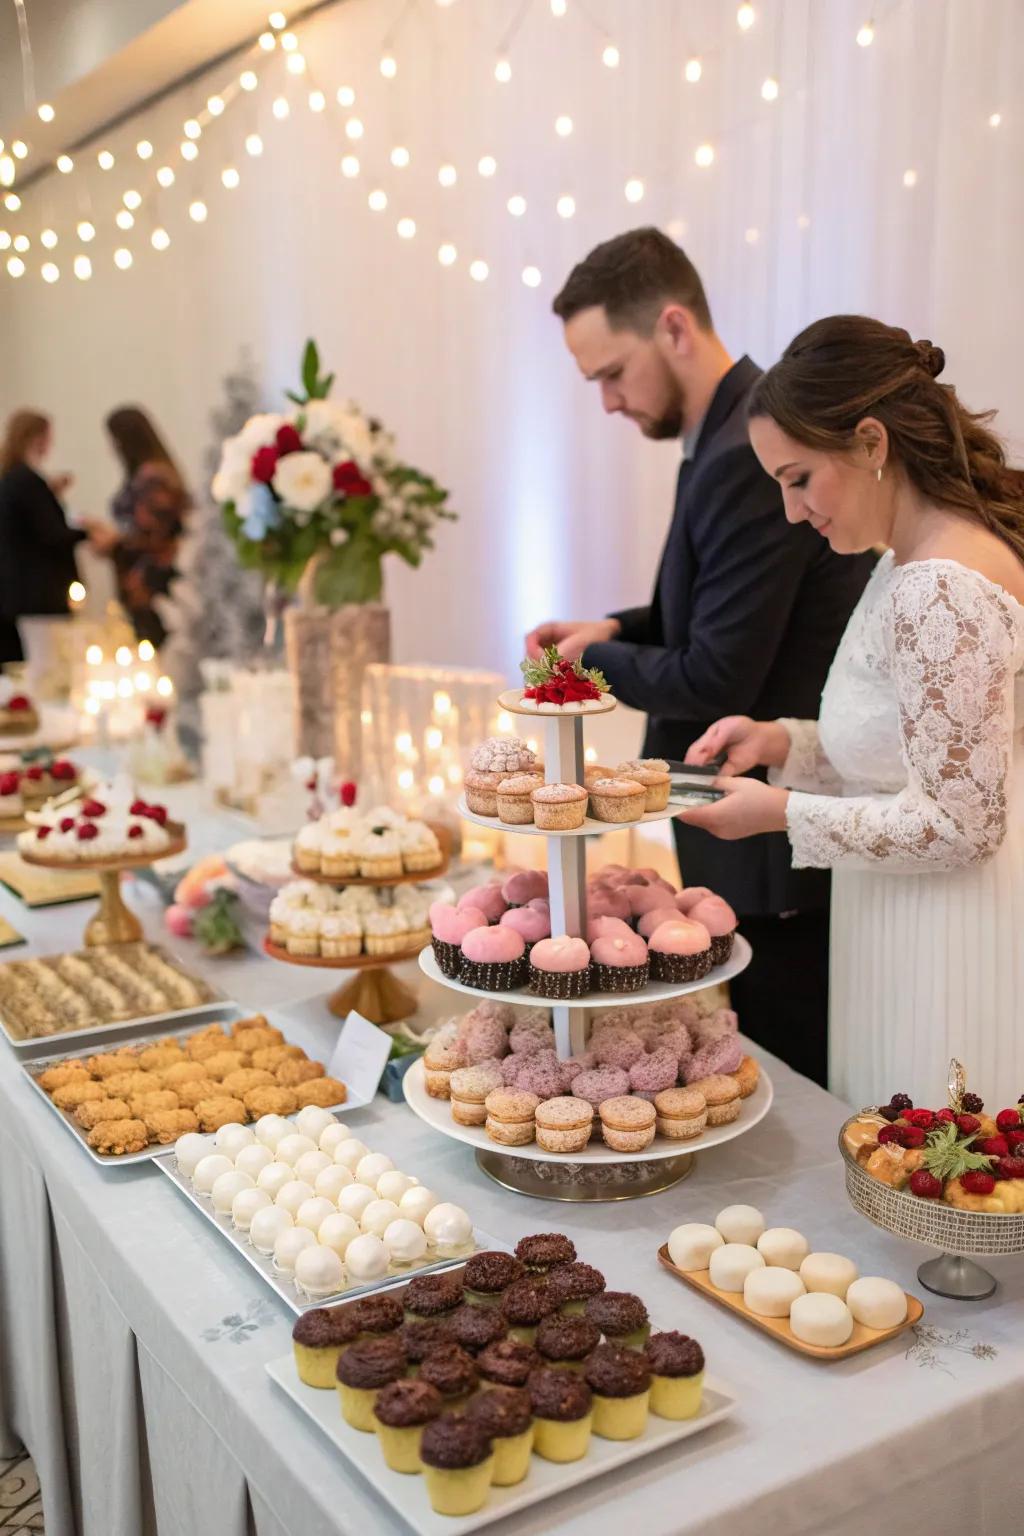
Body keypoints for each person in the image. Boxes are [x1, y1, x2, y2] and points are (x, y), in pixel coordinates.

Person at [529, 228, 873, 1085]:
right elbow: (706, 606)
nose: (607, 401)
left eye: (611, 373)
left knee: (795, 1077)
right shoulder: (724, 437)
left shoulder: (747, 451)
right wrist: (611, 628)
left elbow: (719, 671)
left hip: (775, 842)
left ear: (674, 328)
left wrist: (584, 671)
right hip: (761, 829)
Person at [683, 315, 1024, 1106]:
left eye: (798, 478)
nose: (793, 511)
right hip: (905, 912)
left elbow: (961, 823)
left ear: (872, 443)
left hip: (947, 937)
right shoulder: (911, 555)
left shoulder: (937, 584)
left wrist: (783, 815)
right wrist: (781, 742)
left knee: (937, 1171)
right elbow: (916, 746)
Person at [0, 410, 104, 664]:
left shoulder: (15, 478)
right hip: (38, 594)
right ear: (37, 438)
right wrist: (88, 531)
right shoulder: (27, 480)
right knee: (47, 664)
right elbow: (51, 534)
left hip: (21, 591)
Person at [102, 406, 189, 648]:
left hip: (152, 579)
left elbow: (157, 532)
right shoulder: (150, 473)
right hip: (142, 577)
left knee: (157, 649)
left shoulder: (154, 476)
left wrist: (114, 540)